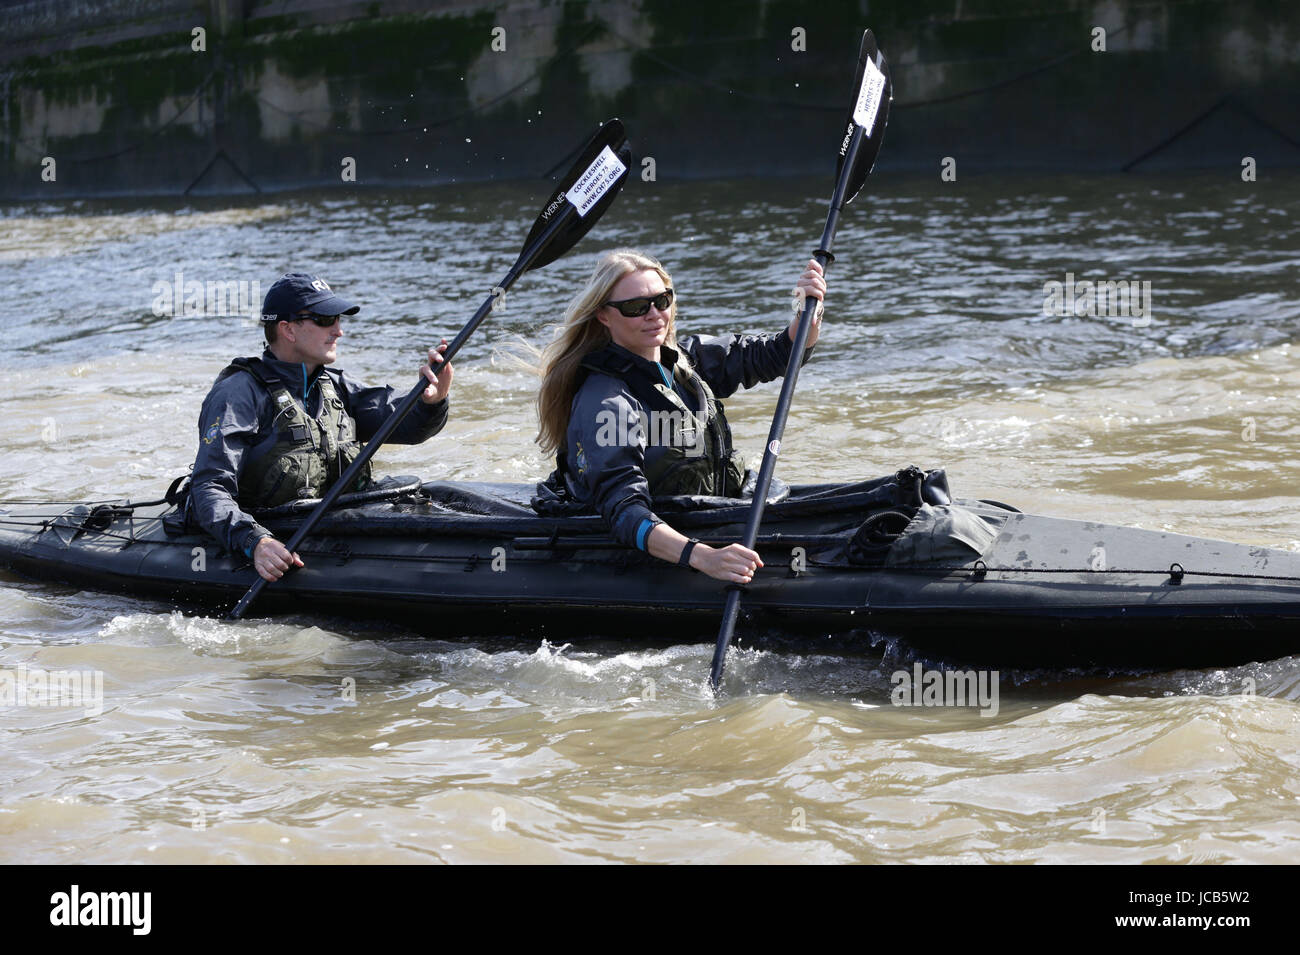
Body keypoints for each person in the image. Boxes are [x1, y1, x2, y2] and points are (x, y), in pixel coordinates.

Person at [534, 249, 825, 584]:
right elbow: (625, 512)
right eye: (636, 307)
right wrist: (704, 558)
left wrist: (808, 313)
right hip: (665, 545)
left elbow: (781, 354)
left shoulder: (688, 361)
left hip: (710, 514)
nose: (655, 314)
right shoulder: (607, 402)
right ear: (603, 316)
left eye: (663, 300)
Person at [190, 272, 453, 582]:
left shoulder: (336, 387)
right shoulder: (239, 394)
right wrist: (255, 542)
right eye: (326, 320)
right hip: (274, 534)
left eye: (338, 319)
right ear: (287, 329)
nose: (338, 331)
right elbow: (209, 487)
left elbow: (409, 426)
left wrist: (435, 398)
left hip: (332, 530)